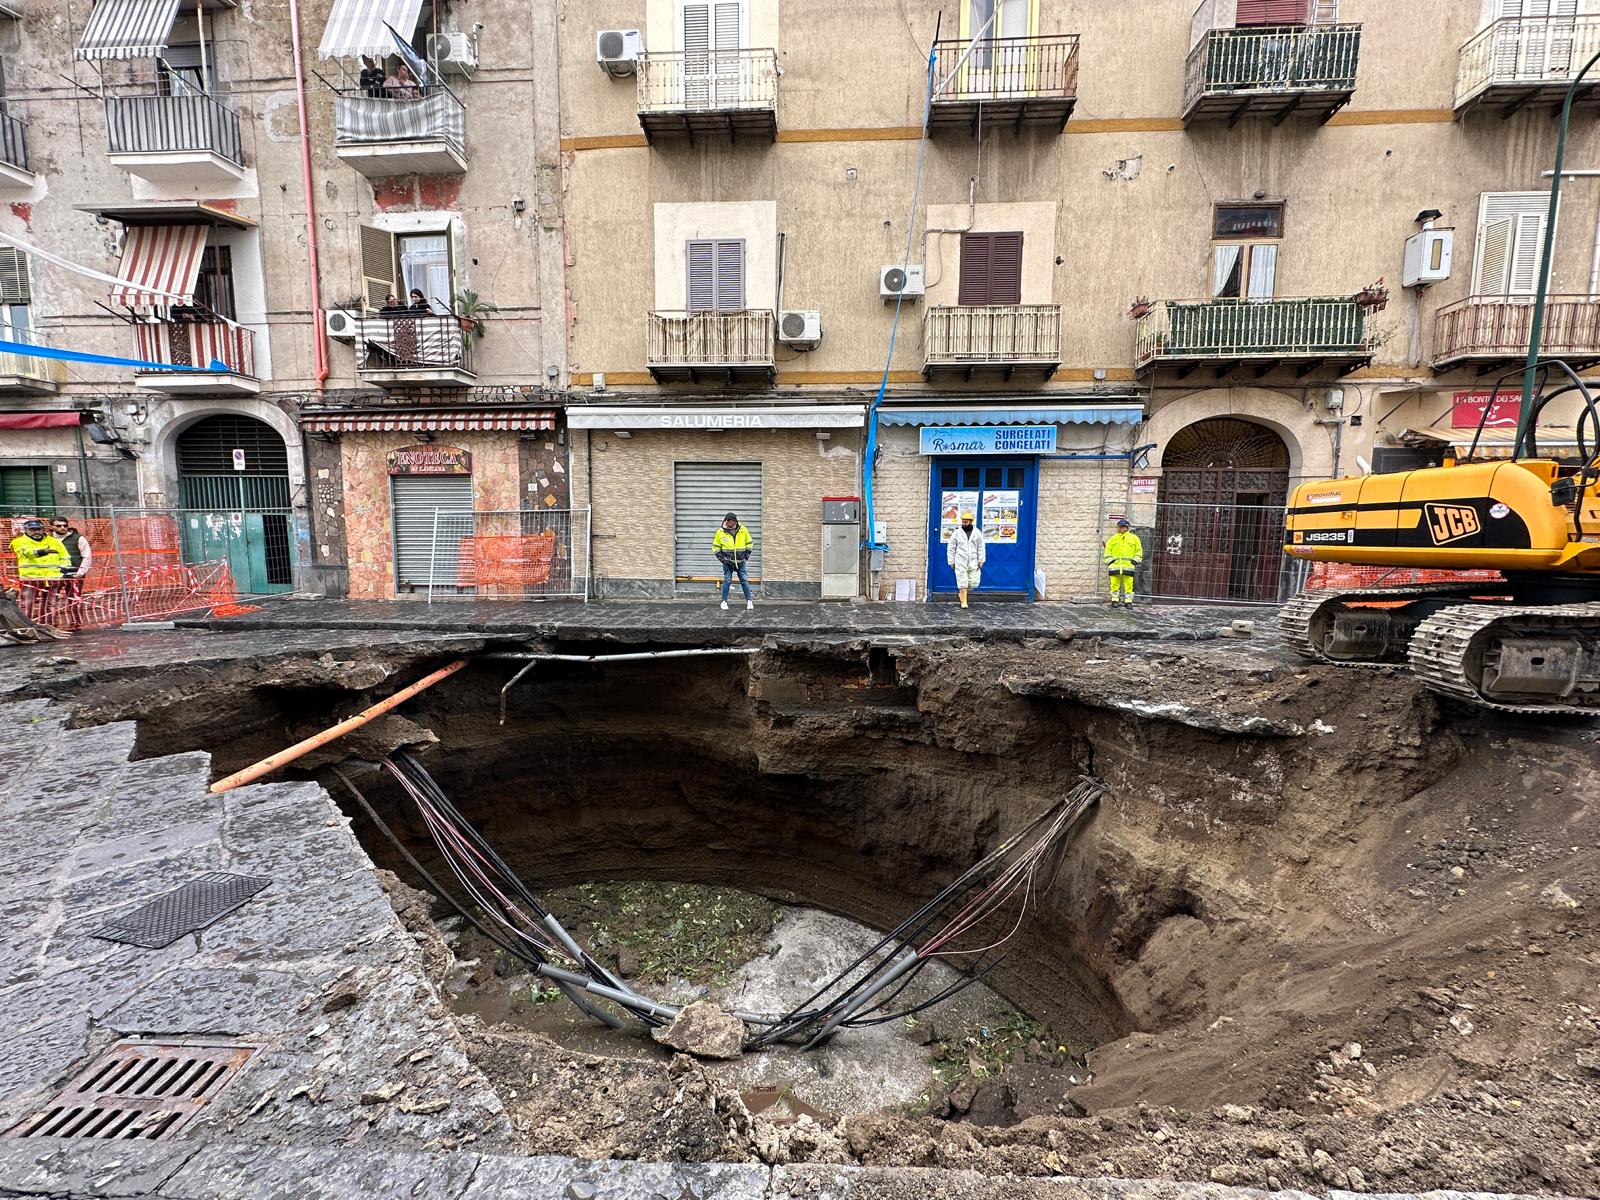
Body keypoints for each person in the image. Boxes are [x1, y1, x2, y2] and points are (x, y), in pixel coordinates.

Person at [9, 518, 69, 626]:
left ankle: (49, 626)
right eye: (32, 529)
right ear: (25, 530)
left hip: (52, 577)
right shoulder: (18, 542)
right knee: (27, 603)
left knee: (51, 604)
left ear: (43, 529)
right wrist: (43, 552)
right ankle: (26, 626)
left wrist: (64, 570)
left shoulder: (54, 541)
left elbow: (65, 557)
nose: (36, 531)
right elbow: (28, 553)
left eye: (38, 529)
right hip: (31, 578)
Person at [49, 517, 93, 630]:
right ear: (51, 527)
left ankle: (75, 623)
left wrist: (80, 572)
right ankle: (51, 624)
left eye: (65, 525)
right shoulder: (47, 540)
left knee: (74, 599)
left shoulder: (79, 539)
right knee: (51, 600)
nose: (62, 528)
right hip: (54, 574)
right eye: (58, 526)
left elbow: (87, 556)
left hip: (74, 574)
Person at [712, 512, 754, 611]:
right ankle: (724, 601)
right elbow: (715, 547)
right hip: (727, 562)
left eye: (733, 521)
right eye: (729, 521)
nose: (732, 523)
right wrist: (722, 559)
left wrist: (746, 556)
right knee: (727, 581)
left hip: (740, 561)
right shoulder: (720, 532)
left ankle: (749, 600)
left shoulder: (743, 530)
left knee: (744, 580)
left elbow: (749, 543)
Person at [946, 511, 985, 610]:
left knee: (974, 582)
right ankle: (964, 601)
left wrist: (981, 560)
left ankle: (962, 593)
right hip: (960, 560)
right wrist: (951, 561)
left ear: (971, 522)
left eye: (966, 522)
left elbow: (981, 547)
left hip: (973, 561)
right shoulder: (957, 533)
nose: (964, 523)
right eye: (963, 521)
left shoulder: (977, 533)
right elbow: (951, 547)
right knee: (962, 581)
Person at [1104, 518, 1144, 606]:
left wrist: (1135, 560)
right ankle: (1115, 600)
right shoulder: (1113, 539)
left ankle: (1128, 601)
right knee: (1114, 584)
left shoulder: (1134, 538)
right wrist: (1110, 561)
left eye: (1121, 527)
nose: (1119, 529)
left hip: (1128, 566)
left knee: (1129, 585)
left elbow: (1139, 551)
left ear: (1127, 528)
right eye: (1118, 527)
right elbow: (1107, 551)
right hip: (1115, 566)